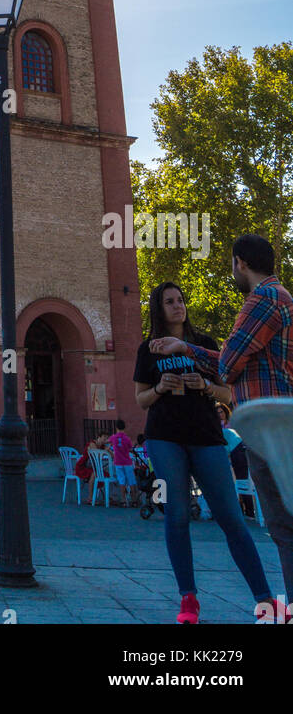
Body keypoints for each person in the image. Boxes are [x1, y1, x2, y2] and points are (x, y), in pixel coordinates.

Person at [151, 235, 293, 605]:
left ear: (240, 263)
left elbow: (228, 366)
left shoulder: (262, 299)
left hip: (269, 426)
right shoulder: (282, 297)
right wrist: (186, 350)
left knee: (284, 526)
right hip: (275, 423)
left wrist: (193, 357)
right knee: (282, 525)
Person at [135, 280, 274, 624]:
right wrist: (160, 387)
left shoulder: (205, 345)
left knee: (231, 518)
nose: (177, 306)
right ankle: (188, 600)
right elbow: (141, 400)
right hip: (165, 438)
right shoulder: (147, 350)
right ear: (158, 308)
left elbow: (227, 395)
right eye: (169, 301)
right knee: (177, 515)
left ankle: (266, 601)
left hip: (208, 437)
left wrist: (206, 386)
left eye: (180, 300)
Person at [107, 420, 138, 507]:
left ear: (116, 427)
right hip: (127, 462)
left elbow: (107, 442)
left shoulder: (113, 437)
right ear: (124, 427)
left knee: (122, 481)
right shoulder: (127, 438)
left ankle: (123, 500)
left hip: (118, 462)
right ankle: (134, 500)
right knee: (131, 480)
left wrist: (109, 449)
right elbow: (130, 449)